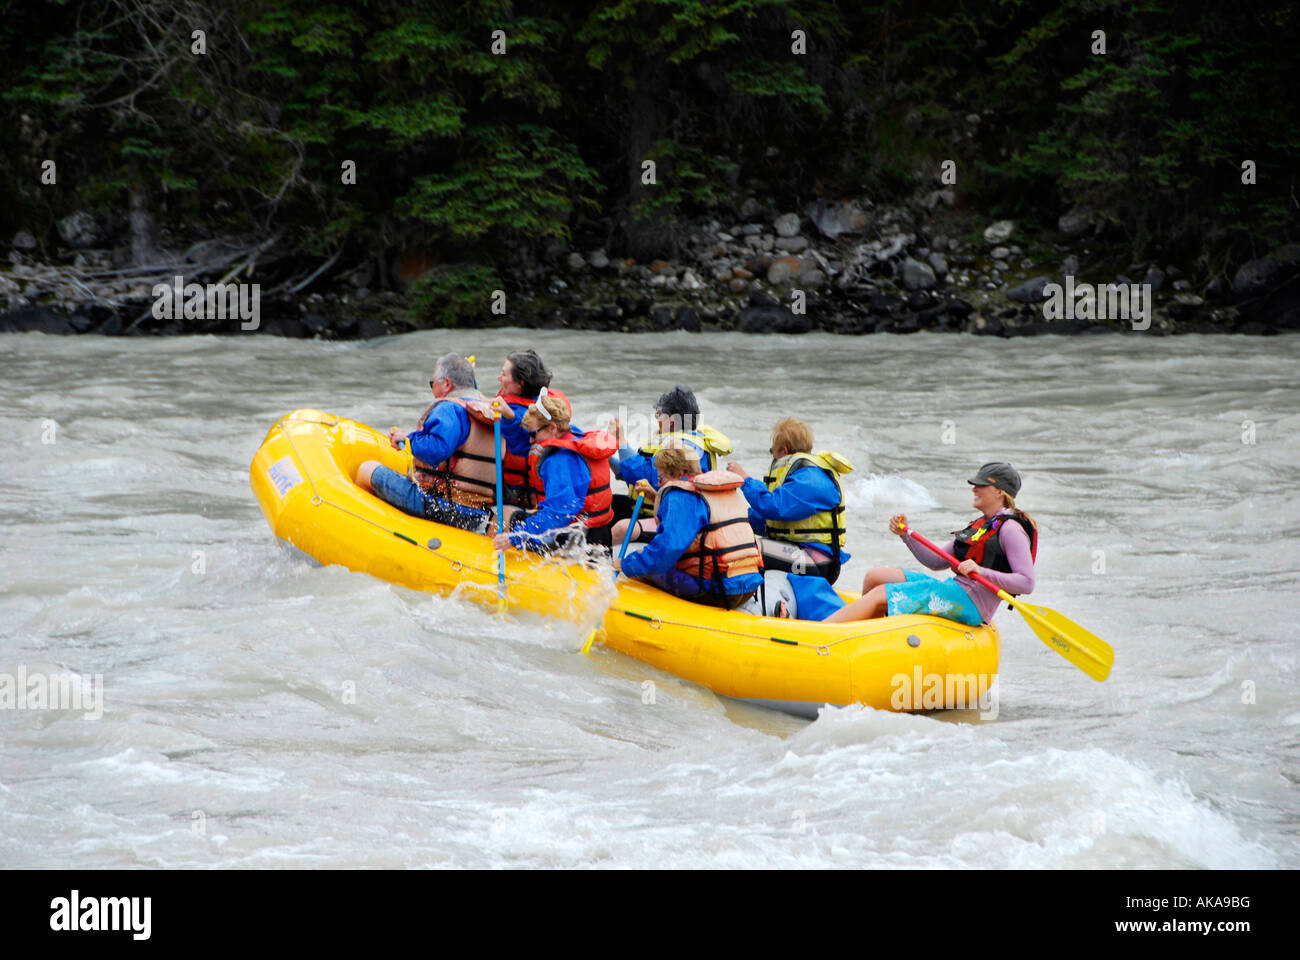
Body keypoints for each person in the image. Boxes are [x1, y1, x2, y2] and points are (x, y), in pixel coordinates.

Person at [823, 462, 1037, 625]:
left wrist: (980, 571)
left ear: (1000, 492)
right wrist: (905, 535)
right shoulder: (982, 525)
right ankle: (868, 635)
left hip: (973, 605)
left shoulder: (1011, 529)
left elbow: (1026, 583)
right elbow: (936, 561)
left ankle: (824, 634)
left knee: (881, 593)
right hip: (955, 589)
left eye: (981, 485)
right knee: (876, 577)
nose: (974, 489)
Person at [355, 353, 494, 531]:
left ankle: (367, 530)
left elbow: (437, 449)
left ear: (446, 384)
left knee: (367, 469)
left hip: (440, 507)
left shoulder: (449, 408)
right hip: (476, 512)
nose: (432, 388)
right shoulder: (486, 408)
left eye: (432, 382)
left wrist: (408, 439)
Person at [615, 447, 763, 610]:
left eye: (660, 478)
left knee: (645, 568)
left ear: (679, 473)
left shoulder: (681, 496)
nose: (658, 484)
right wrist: (654, 494)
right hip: (748, 585)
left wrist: (627, 565)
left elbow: (667, 550)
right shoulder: (714, 491)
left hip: (719, 590)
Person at [727, 417, 852, 584]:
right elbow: (768, 522)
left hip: (817, 564)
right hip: (800, 553)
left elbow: (773, 506)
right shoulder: (801, 476)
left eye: (773, 451)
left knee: (749, 550)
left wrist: (745, 480)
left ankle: (738, 596)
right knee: (740, 542)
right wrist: (733, 517)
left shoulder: (810, 480)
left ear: (784, 451)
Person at [491, 392, 617, 553]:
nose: (530, 441)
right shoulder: (576, 437)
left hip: (574, 541)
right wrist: (510, 416)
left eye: (532, 434)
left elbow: (561, 512)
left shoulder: (558, 460)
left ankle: (496, 555)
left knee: (513, 517)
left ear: (552, 428)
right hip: (599, 537)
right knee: (532, 513)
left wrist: (515, 537)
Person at [609, 385, 731, 545]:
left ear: (672, 421)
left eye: (659, 415)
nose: (656, 420)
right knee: (605, 504)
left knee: (618, 525)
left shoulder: (685, 446)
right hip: (654, 507)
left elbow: (644, 474)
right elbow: (628, 474)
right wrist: (605, 458)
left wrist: (621, 440)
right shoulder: (666, 440)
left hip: (674, 516)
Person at [464, 350, 570, 507]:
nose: (499, 378)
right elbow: (485, 402)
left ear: (520, 384)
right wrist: (468, 379)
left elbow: (521, 444)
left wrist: (509, 416)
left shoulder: (533, 417)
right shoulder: (542, 402)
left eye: (504, 375)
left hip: (520, 497)